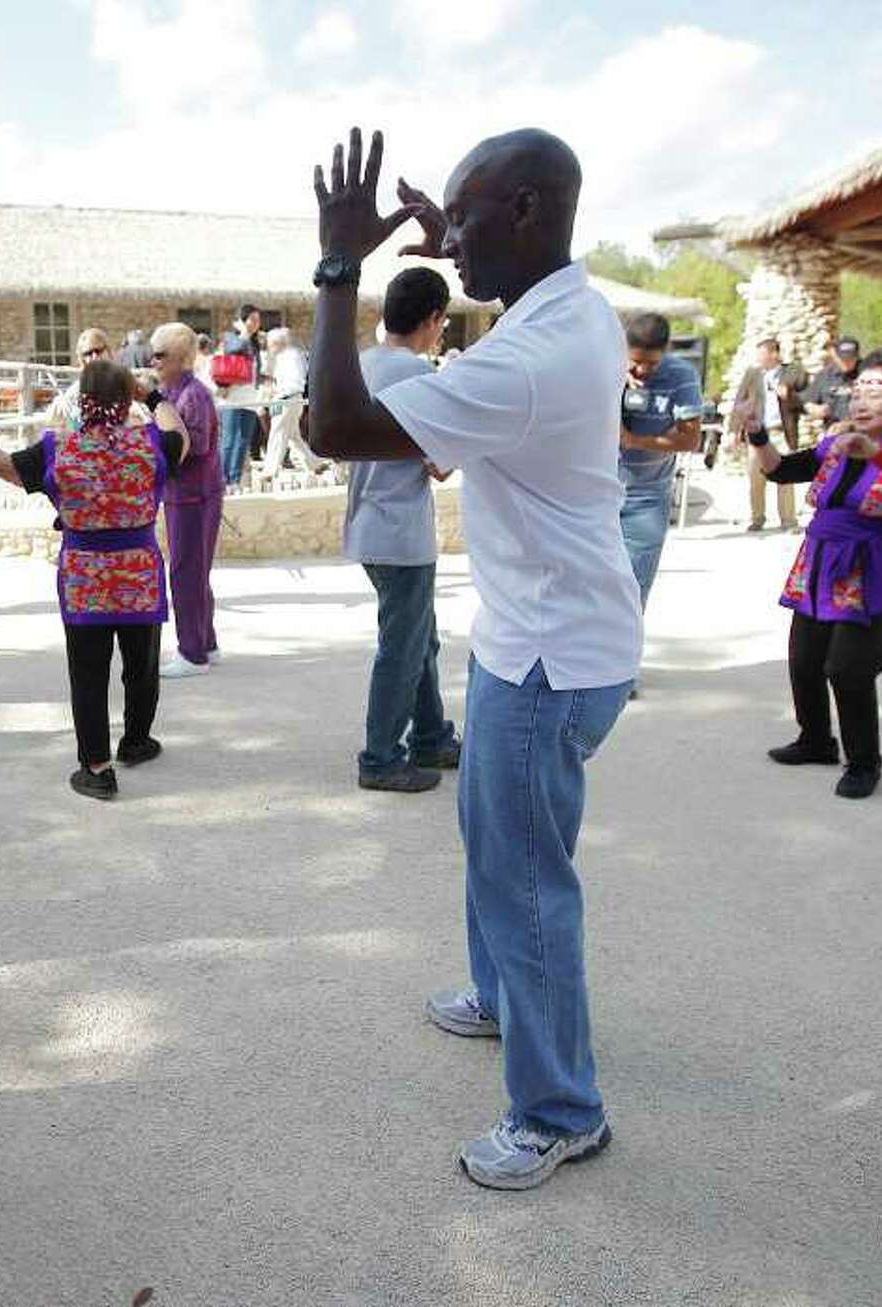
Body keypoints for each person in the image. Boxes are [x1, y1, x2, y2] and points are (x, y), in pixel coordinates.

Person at [306, 127, 640, 1191]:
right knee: (494, 837)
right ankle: (504, 998)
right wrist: (447, 216)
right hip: (536, 636)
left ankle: (559, 1109)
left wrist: (339, 265)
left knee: (527, 874)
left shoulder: (533, 355)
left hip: (550, 651)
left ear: (533, 211)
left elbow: (331, 423)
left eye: (468, 216)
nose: (447, 243)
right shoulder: (562, 317)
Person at [0, 361, 189, 798]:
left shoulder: (58, 448)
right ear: (126, 399)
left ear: (82, 401)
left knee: (88, 673)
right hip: (138, 575)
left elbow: (4, 465)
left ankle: (97, 769)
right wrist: (151, 396)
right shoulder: (149, 443)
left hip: (85, 580)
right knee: (142, 666)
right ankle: (136, 743)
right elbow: (181, 434)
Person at [751, 346, 882, 800]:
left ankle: (864, 762)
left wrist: (874, 452)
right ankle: (816, 740)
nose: (860, 400)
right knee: (804, 660)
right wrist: (757, 435)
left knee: (848, 668)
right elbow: (782, 471)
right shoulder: (836, 444)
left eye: (875, 391)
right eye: (858, 389)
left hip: (876, 564)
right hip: (820, 560)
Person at [344, 267, 460, 793]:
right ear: (434, 319)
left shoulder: (361, 365)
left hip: (367, 523)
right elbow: (441, 463)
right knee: (404, 646)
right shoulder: (419, 377)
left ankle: (432, 736)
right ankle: (381, 756)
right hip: (403, 531)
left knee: (419, 639)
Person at [616, 313, 702, 627]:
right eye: (635, 362)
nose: (642, 370)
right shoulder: (606, 369)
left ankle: (618, 663)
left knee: (633, 589)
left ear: (665, 352)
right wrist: (614, 384)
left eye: (651, 364)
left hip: (646, 498)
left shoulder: (682, 376)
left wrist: (636, 440)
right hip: (597, 495)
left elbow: (691, 438)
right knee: (587, 585)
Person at [149, 322, 224, 677]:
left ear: (180, 358)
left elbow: (195, 446)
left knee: (185, 573)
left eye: (160, 355)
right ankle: (205, 642)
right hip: (189, 494)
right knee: (195, 572)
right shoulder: (180, 392)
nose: (154, 361)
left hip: (194, 495)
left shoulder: (192, 395)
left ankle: (192, 652)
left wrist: (157, 442)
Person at [726, 337, 809, 531]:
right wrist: (734, 429)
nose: (758, 358)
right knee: (756, 477)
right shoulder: (752, 374)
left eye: (762, 353)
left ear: (774, 354)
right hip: (757, 432)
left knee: (786, 477)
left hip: (781, 431)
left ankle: (788, 520)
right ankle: (757, 518)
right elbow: (740, 402)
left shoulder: (791, 371)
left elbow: (803, 390)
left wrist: (787, 393)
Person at [259, 326, 327, 482]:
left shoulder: (287, 357)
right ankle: (314, 463)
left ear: (277, 343)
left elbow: (286, 382)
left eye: (271, 344)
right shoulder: (295, 354)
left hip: (286, 398)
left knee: (277, 433)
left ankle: (270, 470)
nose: (269, 348)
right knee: (293, 435)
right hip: (293, 399)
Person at [215, 305, 265, 488]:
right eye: (252, 319)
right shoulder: (233, 338)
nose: (255, 323)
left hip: (249, 397)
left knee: (243, 440)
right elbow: (234, 349)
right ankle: (222, 478)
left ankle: (234, 479)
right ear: (242, 320)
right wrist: (244, 332)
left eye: (258, 320)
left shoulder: (255, 344)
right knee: (229, 439)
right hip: (232, 396)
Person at [802, 337, 862, 432]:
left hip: (864, 435)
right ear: (836, 356)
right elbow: (807, 401)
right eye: (843, 358)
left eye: (851, 359)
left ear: (857, 356)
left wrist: (849, 424)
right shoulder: (825, 375)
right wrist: (814, 409)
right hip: (834, 434)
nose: (846, 362)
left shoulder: (867, 374)